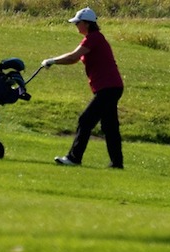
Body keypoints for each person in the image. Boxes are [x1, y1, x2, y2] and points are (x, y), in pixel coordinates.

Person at [42, 7, 124, 169]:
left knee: (85, 120)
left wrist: (52, 60)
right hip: (112, 87)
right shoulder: (94, 38)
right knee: (110, 126)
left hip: (108, 88)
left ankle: (74, 158)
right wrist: (55, 62)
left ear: (86, 23)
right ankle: (117, 164)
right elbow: (74, 60)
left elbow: (73, 56)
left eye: (77, 23)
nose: (76, 26)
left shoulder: (93, 38)